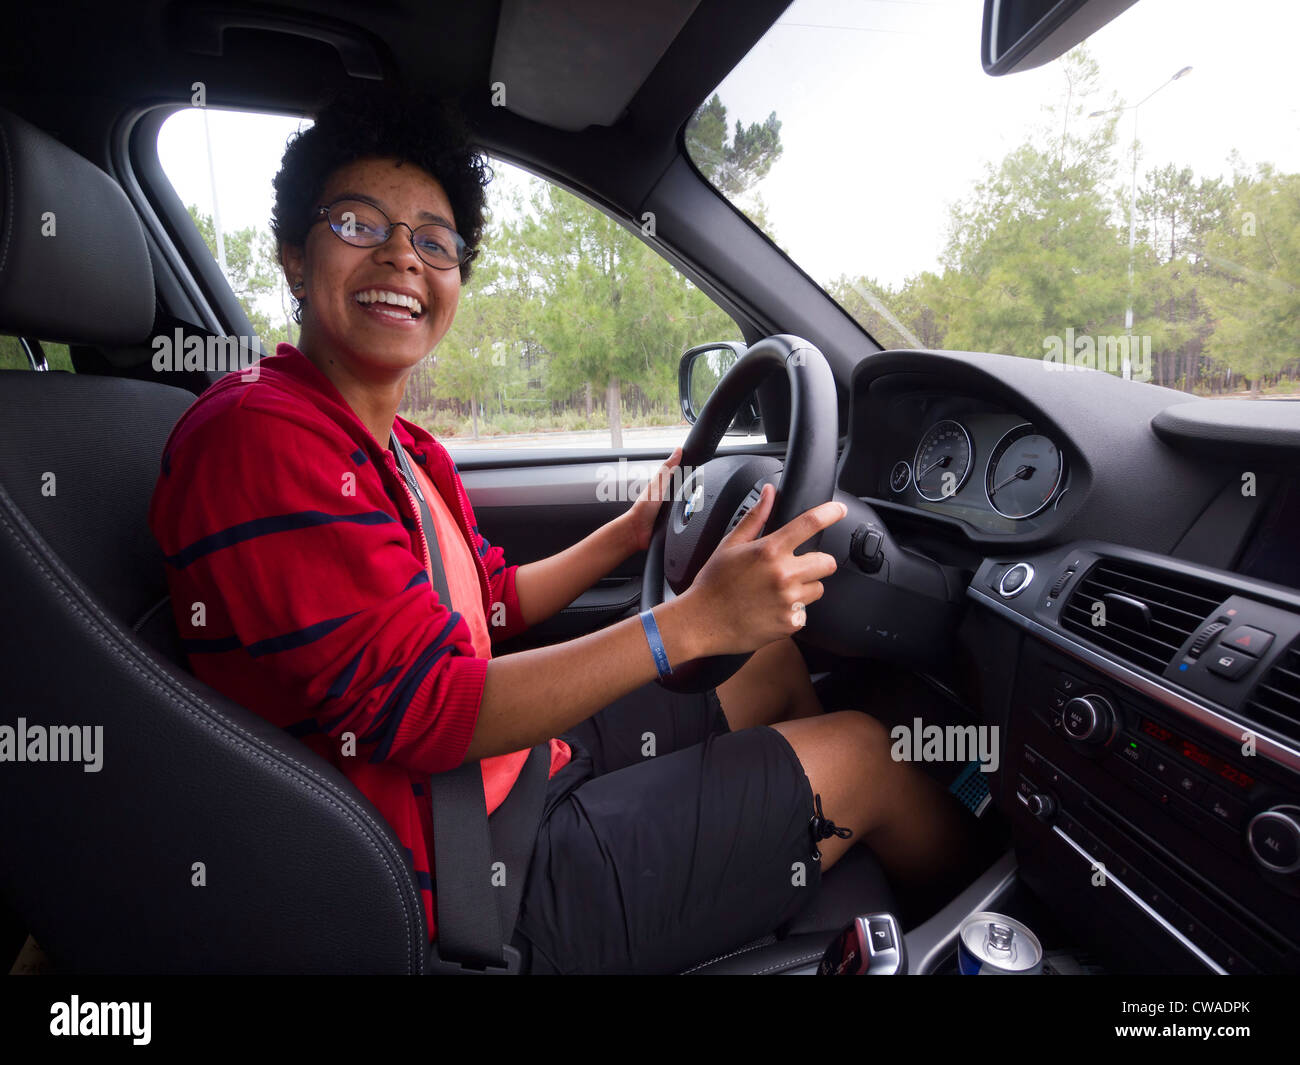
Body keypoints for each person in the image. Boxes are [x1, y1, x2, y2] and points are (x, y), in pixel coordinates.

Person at [148, 85, 978, 974]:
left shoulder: (404, 449)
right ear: (292, 257)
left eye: (434, 240)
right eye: (359, 223)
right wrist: (691, 621)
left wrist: (630, 532)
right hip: (472, 881)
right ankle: (992, 932)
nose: (401, 256)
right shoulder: (261, 436)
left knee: (767, 658)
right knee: (866, 754)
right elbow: (427, 709)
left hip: (507, 772)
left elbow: (492, 605)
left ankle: (780, 864)